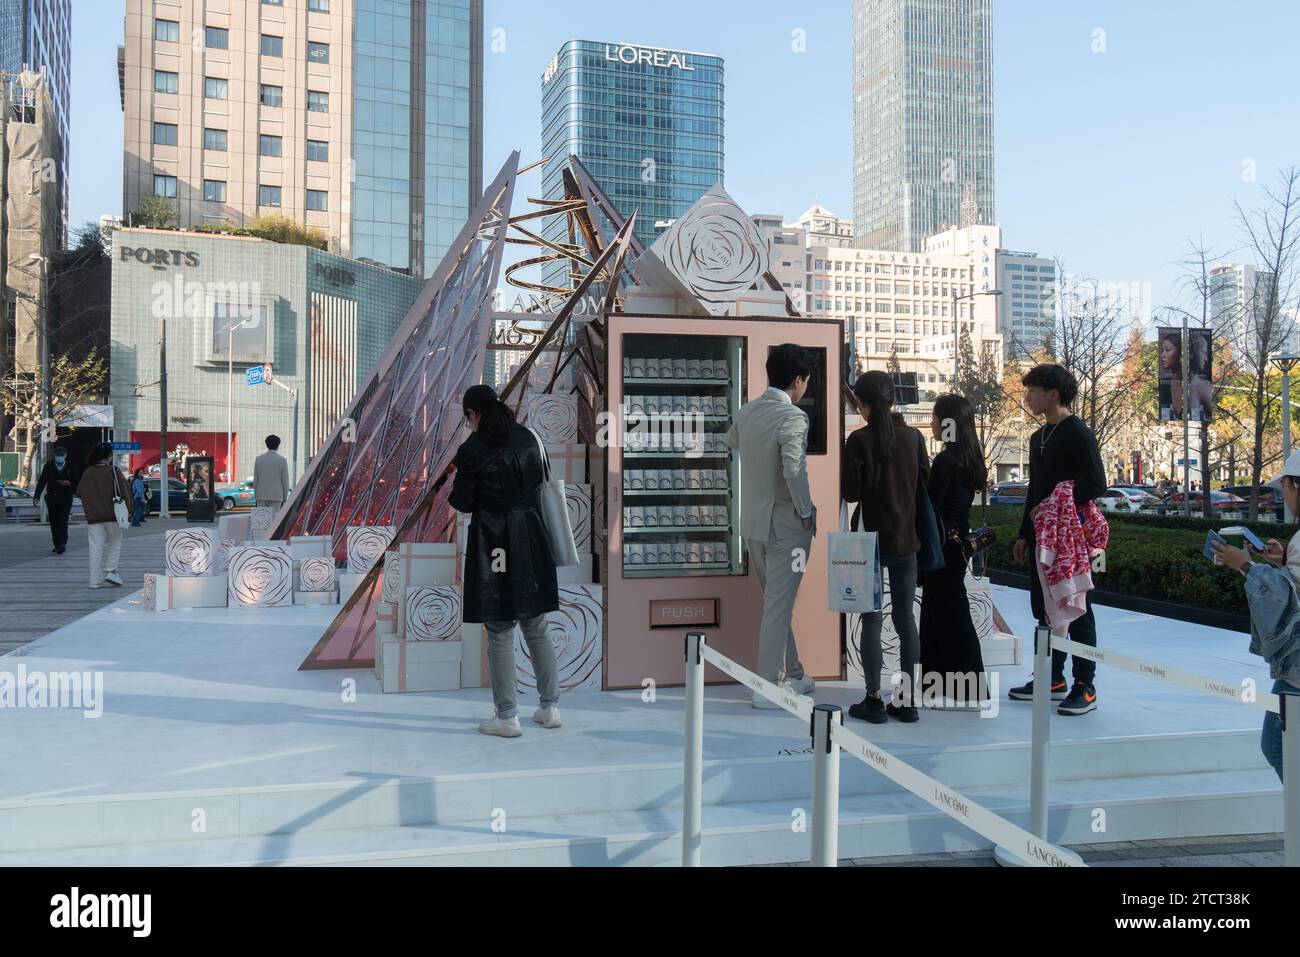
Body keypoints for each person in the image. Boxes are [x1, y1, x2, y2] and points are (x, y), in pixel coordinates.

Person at [450, 384, 561, 738]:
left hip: (495, 540)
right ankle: (550, 707)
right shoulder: (529, 437)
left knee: (499, 629)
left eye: (467, 417)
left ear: (473, 413)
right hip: (530, 535)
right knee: (535, 622)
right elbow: (543, 481)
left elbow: (463, 502)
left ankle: (507, 716)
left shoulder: (473, 449)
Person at [1009, 364, 1108, 715]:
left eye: (1033, 390)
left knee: (1079, 608)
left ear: (1053, 393)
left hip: (1072, 540)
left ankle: (1086, 683)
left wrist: (1055, 504)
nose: (1028, 397)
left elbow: (1097, 483)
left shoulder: (1077, 432)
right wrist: (1025, 533)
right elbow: (1034, 492)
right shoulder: (1038, 438)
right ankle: (1052, 678)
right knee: (1045, 608)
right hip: (1044, 539)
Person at [725, 343, 818, 709]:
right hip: (787, 526)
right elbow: (793, 468)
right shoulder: (793, 417)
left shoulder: (748, 411)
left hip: (753, 527)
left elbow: (731, 441)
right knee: (778, 606)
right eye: (807, 380)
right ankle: (767, 687)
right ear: (798, 379)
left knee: (776, 604)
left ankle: (794, 674)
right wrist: (807, 511)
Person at [842, 370, 930, 723]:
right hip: (906, 539)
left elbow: (850, 492)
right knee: (906, 620)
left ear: (861, 404)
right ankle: (907, 701)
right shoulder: (913, 437)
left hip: (870, 543)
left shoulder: (858, 440)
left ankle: (874, 699)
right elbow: (923, 480)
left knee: (872, 619)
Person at [1211, 451, 1300, 781]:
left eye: (1286, 488)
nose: (1284, 496)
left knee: (1277, 748)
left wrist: (1245, 564)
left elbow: (1282, 599)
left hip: (1296, 672)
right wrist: (1279, 563)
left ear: (1295, 485)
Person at [919, 394, 989, 709]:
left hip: (943, 548)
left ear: (948, 422)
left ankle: (962, 685)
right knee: (942, 614)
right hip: (957, 546)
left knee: (947, 616)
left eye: (935, 417)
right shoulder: (968, 456)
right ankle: (949, 685)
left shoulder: (947, 460)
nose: (932, 423)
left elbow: (930, 506)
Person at [76, 443, 128, 589]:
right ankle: (111, 571)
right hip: (113, 515)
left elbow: (80, 492)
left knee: (95, 546)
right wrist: (129, 511)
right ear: (108, 457)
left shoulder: (87, 473)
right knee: (115, 541)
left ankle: (94, 580)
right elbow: (124, 492)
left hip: (93, 517)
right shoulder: (113, 471)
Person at [33, 445, 78, 554]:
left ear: (65, 456)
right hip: (52, 498)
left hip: (66, 499)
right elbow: (42, 482)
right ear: (54, 455)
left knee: (63, 521)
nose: (59, 457)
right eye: (58, 455)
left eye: (61, 455)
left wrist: (69, 484)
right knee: (54, 522)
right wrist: (36, 496)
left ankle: (62, 544)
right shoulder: (48, 466)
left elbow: (77, 482)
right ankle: (57, 544)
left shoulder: (71, 466)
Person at [253, 435, 290, 509]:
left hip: (261, 495)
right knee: (275, 519)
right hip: (277, 496)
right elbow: (285, 481)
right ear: (278, 445)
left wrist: (257, 494)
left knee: (262, 519)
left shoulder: (259, 459)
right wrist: (284, 497)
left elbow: (256, 480)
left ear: (267, 445)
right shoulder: (282, 460)